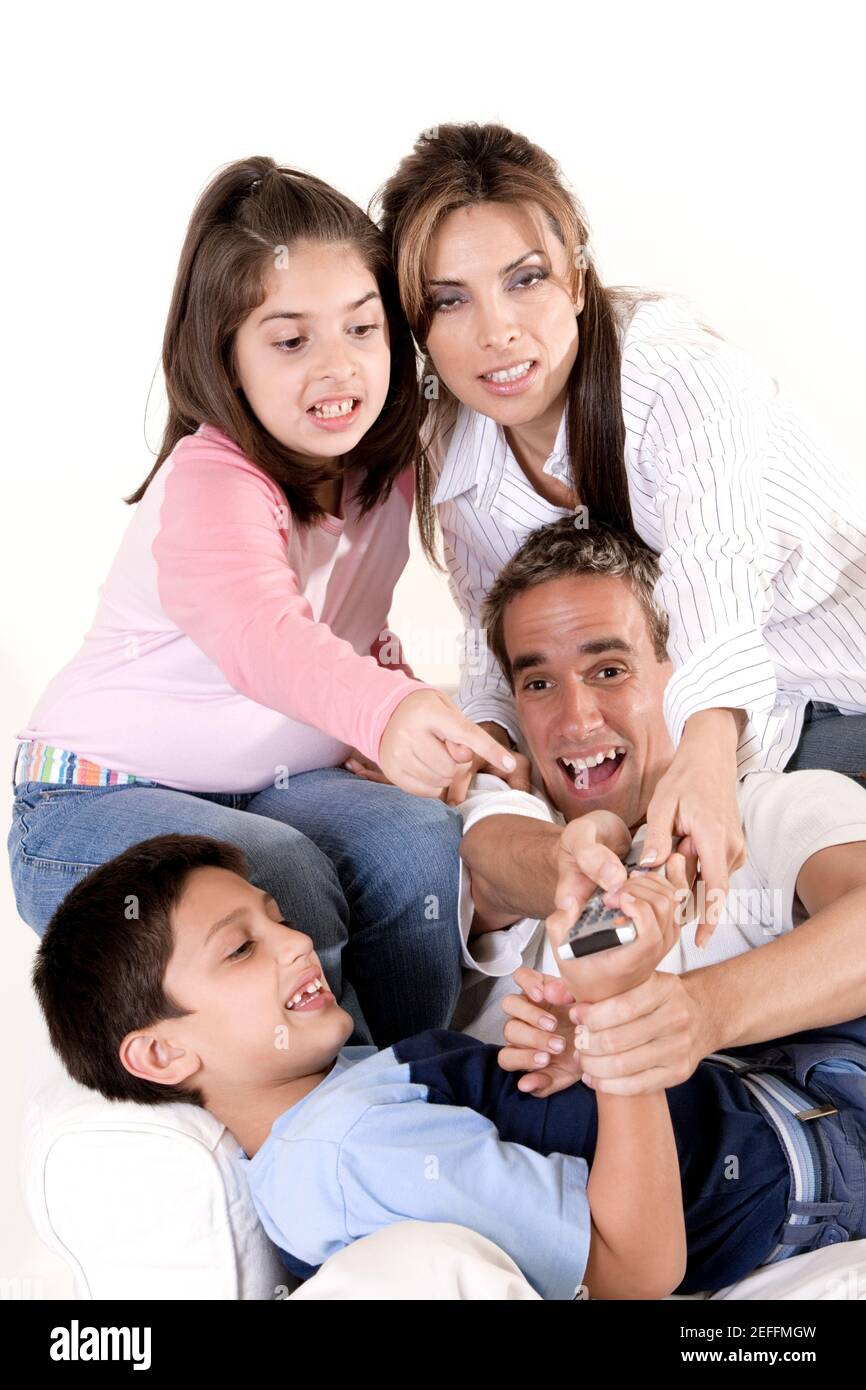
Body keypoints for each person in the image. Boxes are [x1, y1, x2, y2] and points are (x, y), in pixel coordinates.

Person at [8, 156, 515, 1045]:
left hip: (271, 789)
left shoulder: (381, 475)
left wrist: (377, 715)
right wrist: (385, 709)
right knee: (270, 875)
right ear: (226, 358)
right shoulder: (211, 480)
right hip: (97, 801)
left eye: (362, 329)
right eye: (290, 341)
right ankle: (335, 1122)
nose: (339, 367)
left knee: (412, 843)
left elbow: (347, 630)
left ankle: (413, 1080)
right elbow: (261, 634)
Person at [372, 120, 866, 940]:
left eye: (524, 279)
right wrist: (489, 773)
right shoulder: (457, 452)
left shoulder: (669, 372)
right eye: (451, 299)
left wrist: (707, 754)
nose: (497, 332)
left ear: (576, 280)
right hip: (682, 739)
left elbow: (717, 575)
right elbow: (497, 648)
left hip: (829, 698)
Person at [30, 831, 866, 1297]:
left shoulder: (334, 1107)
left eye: (279, 919)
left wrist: (572, 1051)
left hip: (778, 1088)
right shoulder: (348, 1152)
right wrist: (617, 1020)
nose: (295, 943)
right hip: (811, 1160)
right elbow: (634, 1273)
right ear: (163, 1053)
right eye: (242, 949)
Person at [435, 519, 866, 1127]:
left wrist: (695, 1013)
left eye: (609, 670)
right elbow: (492, 865)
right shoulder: (504, 800)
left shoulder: (771, 807)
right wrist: (569, 859)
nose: (576, 720)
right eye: (538, 683)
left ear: (683, 676)